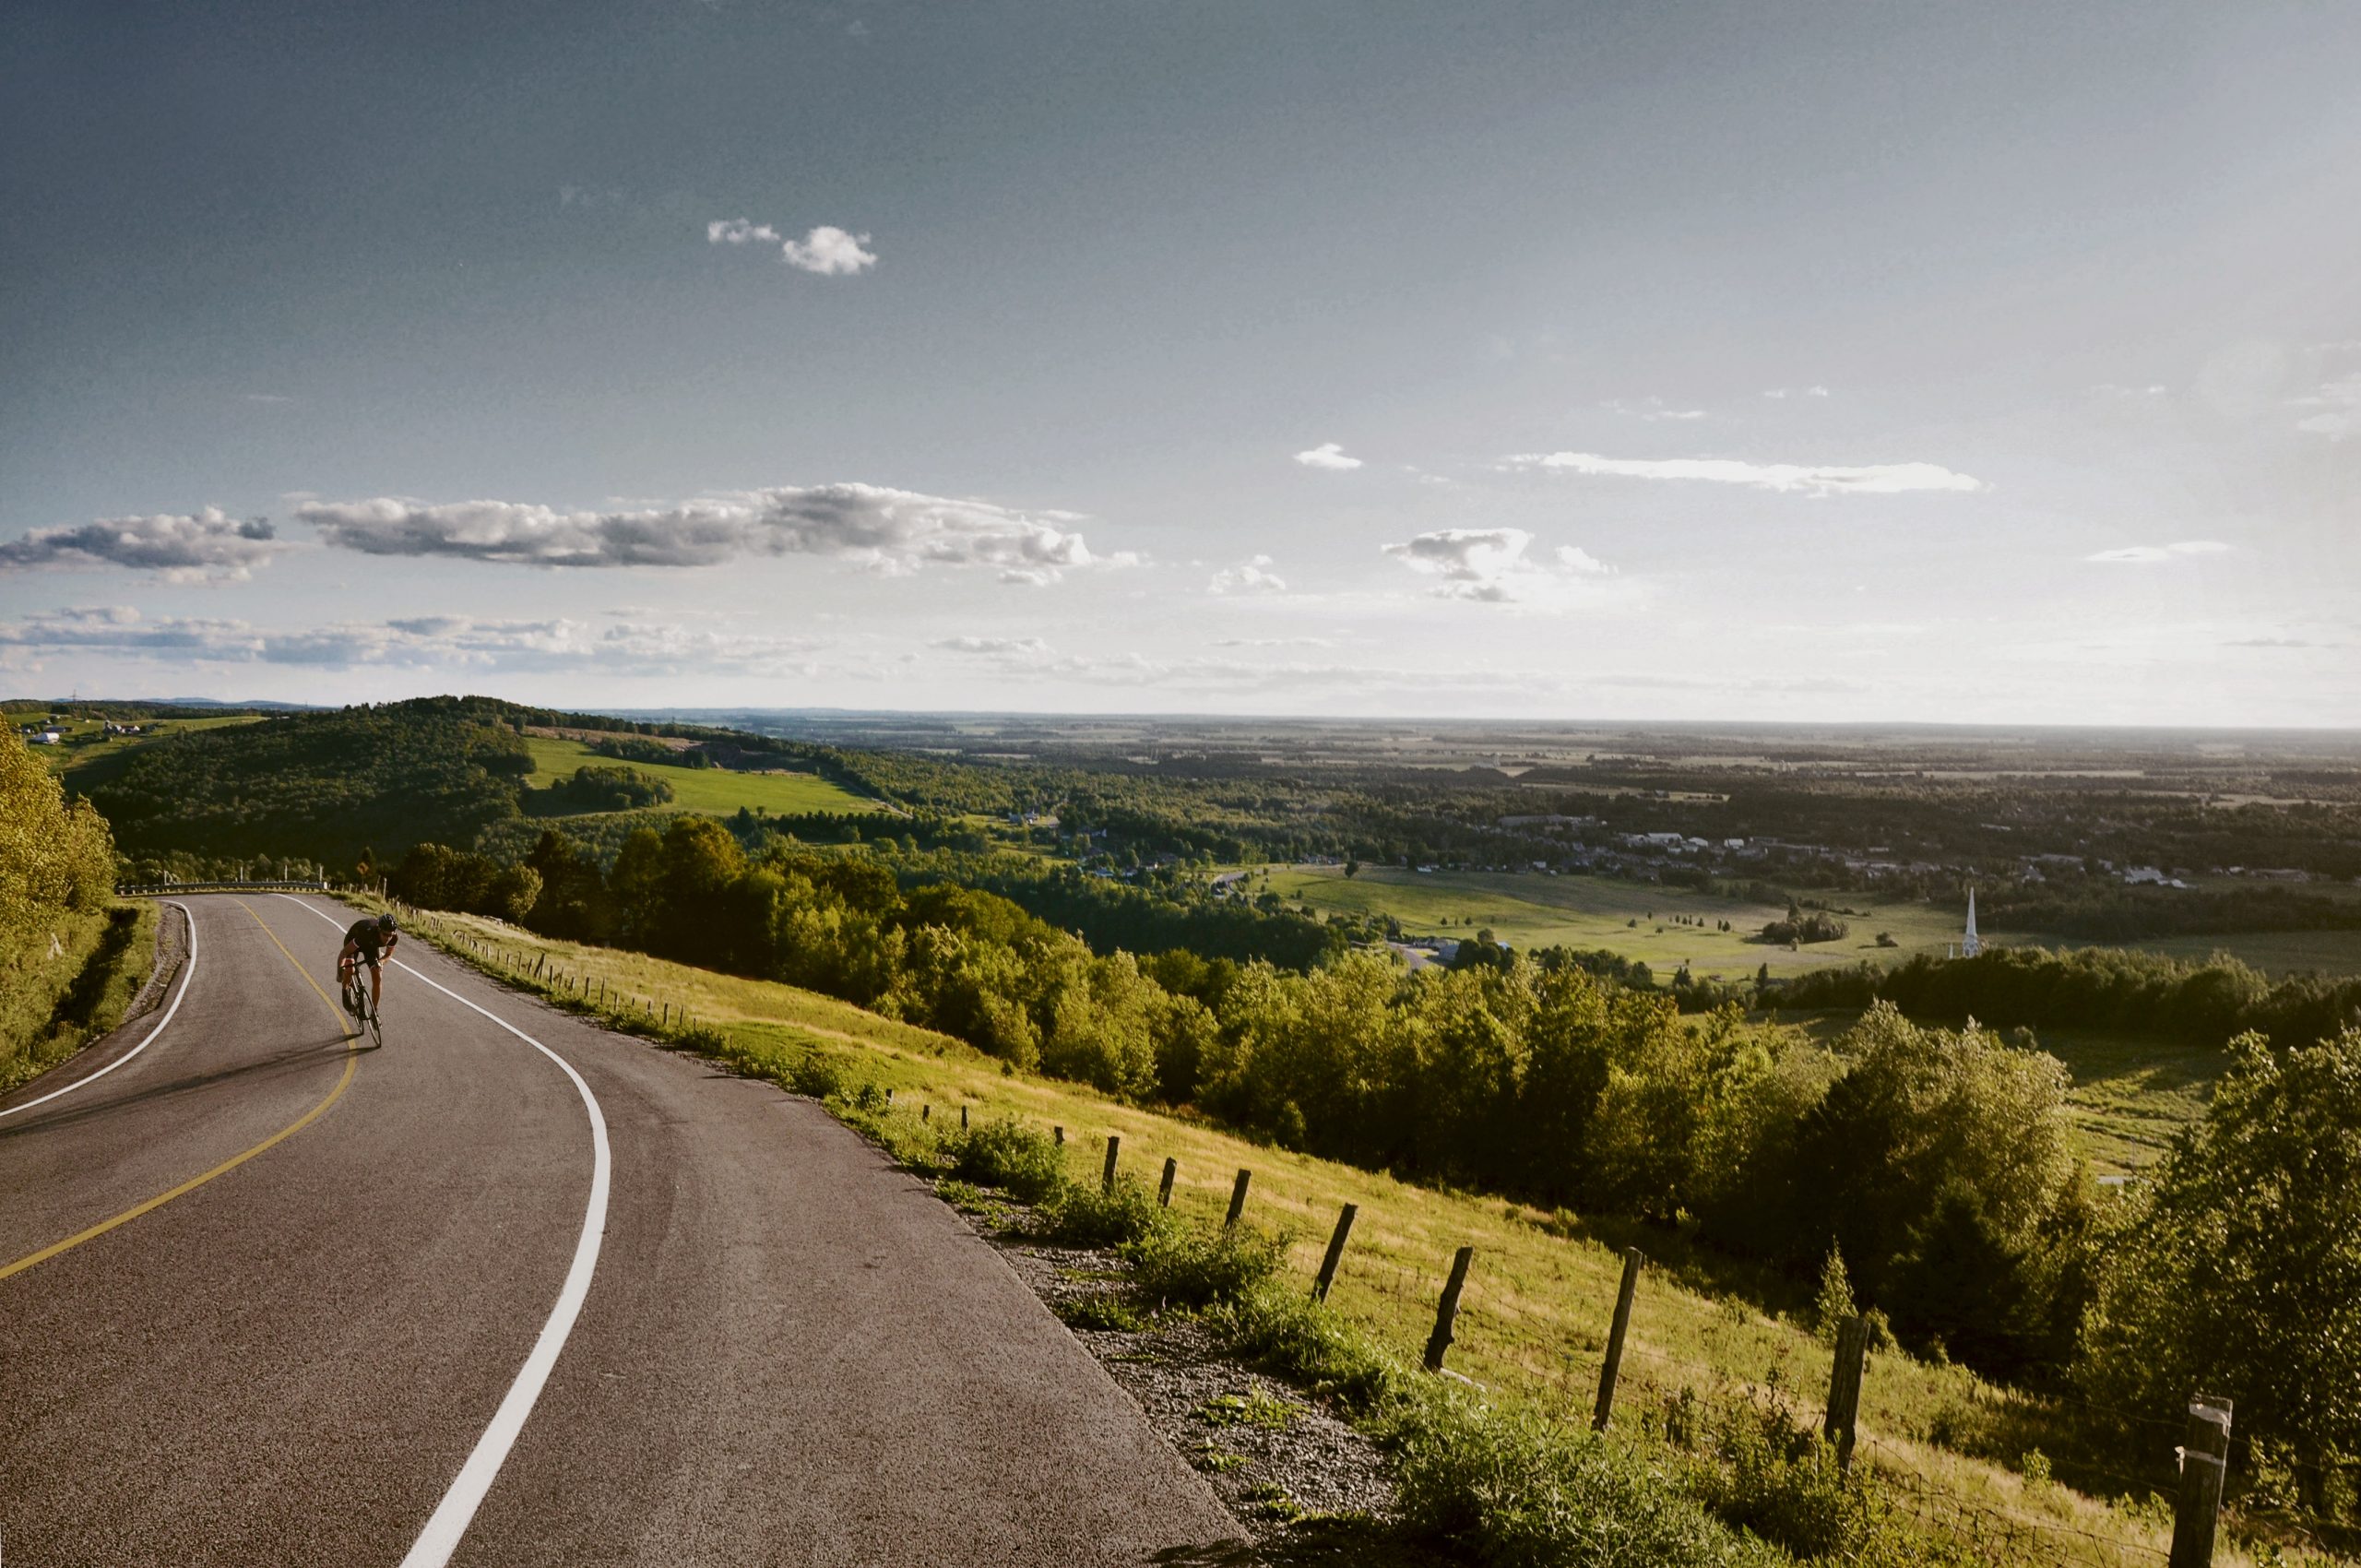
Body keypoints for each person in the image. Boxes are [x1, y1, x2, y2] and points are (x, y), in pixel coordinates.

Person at [338, 911, 399, 1015]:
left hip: (371, 946)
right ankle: (345, 990)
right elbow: (344, 952)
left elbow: (388, 955)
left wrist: (380, 962)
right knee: (350, 969)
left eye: (390, 934)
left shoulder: (393, 937)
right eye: (385, 934)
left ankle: (375, 1012)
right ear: (379, 930)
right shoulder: (366, 933)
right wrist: (339, 971)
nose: (387, 938)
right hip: (355, 941)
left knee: (378, 975)